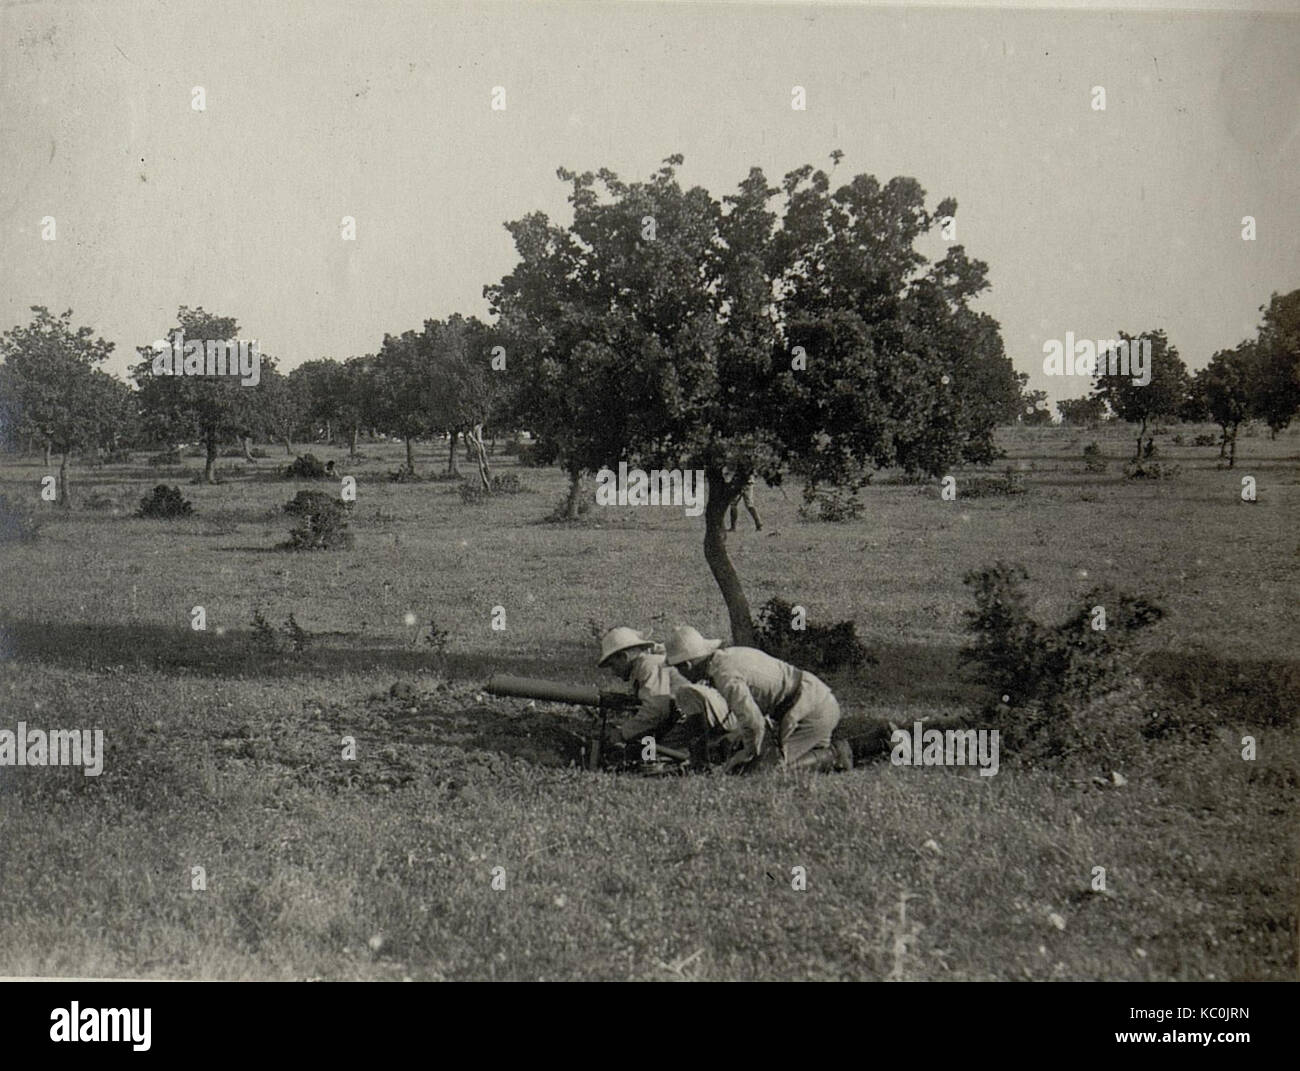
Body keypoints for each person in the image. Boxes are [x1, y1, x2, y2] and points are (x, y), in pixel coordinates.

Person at [663, 625, 852, 774]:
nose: (680, 673)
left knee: (766, 772)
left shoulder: (725, 675)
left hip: (810, 710)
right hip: (809, 701)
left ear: (687, 665)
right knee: (793, 759)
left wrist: (747, 754)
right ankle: (866, 745)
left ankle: (836, 753)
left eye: (678, 668)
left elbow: (754, 723)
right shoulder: (727, 657)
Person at [596, 627, 688, 750]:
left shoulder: (648, 666)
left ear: (624, 657)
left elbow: (655, 711)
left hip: (686, 723)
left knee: (650, 756)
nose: (613, 672)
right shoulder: (643, 667)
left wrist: (623, 733)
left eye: (613, 665)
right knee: (643, 748)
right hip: (678, 720)